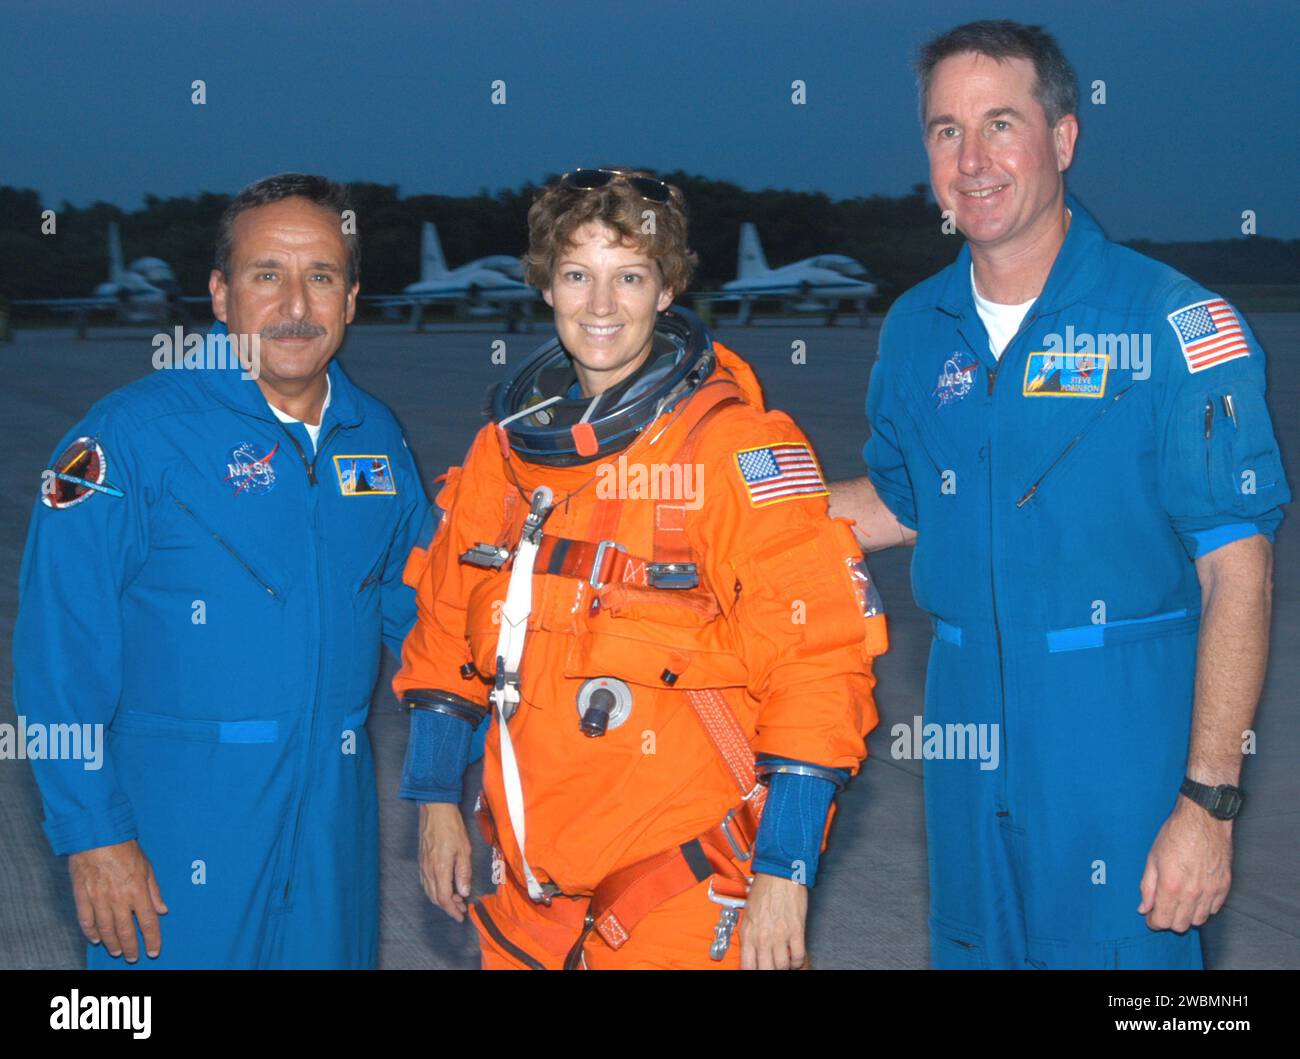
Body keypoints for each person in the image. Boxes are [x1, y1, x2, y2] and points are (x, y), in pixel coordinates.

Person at [831, 21, 1289, 968]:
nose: (972, 159)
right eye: (945, 130)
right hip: (962, 744)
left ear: (1065, 138)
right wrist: (708, 512)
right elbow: (902, 505)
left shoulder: (1173, 323)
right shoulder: (919, 327)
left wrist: (1208, 803)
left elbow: (1237, 573)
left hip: (1119, 747)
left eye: (1002, 123)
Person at [395, 169, 887, 969]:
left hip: (677, 890)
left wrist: (784, 871)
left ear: (667, 290)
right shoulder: (505, 454)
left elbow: (819, 656)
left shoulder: (733, 448)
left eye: (629, 276)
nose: (599, 305)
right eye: (576, 274)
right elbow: (449, 619)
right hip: (527, 896)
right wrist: (433, 796)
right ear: (546, 286)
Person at [14, 173, 433, 968]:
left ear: (350, 300)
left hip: (333, 828)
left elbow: (423, 609)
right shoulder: (127, 441)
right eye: (266, 274)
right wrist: (93, 833)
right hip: (178, 826)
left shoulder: (373, 435)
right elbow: (58, 655)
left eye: (321, 276)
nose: (296, 305)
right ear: (219, 293)